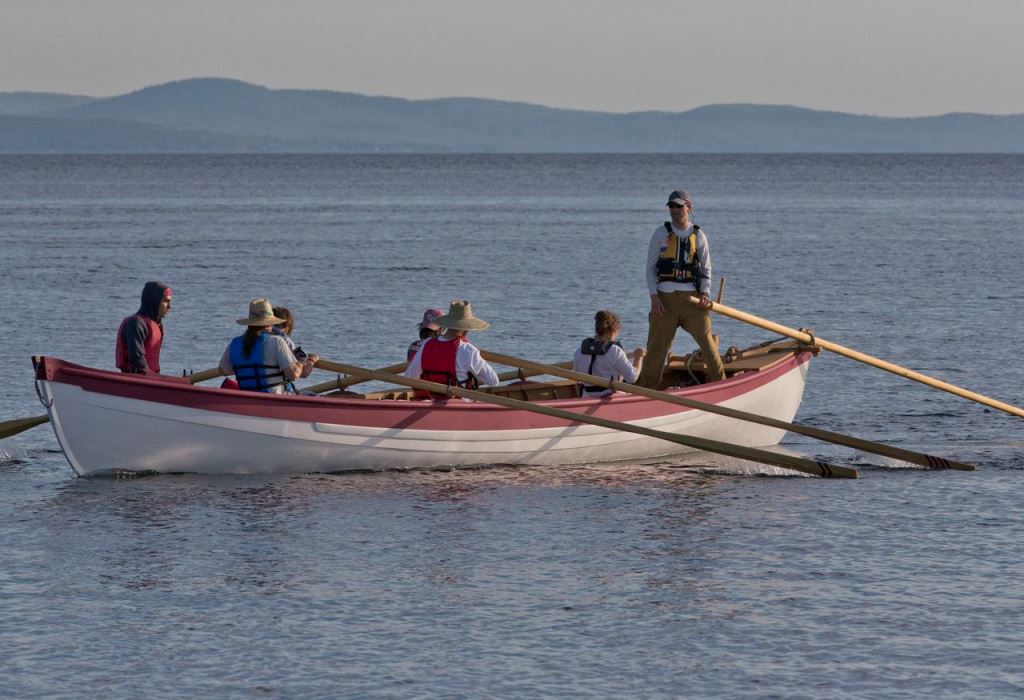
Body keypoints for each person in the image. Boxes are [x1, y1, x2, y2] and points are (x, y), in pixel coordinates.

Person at [637, 189, 726, 388]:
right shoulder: (660, 233)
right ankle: (647, 392)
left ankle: (721, 384)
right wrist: (654, 297)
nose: (675, 210)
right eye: (671, 206)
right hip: (664, 301)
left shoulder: (699, 236)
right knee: (656, 350)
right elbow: (650, 269)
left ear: (688, 207)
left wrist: (705, 293)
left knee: (707, 343)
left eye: (679, 206)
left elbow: (705, 269)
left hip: (692, 301)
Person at [219, 298, 319, 394]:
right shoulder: (277, 342)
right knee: (311, 395)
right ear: (270, 322)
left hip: (247, 397)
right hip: (274, 399)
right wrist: (305, 361)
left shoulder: (234, 343)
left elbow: (223, 370)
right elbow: (294, 375)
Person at [405, 300, 500, 398]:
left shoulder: (426, 345)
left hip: (432, 400)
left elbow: (410, 377)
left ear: (447, 325)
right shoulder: (468, 350)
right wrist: (472, 379)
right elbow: (493, 381)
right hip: (458, 404)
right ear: (467, 328)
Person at [572, 311, 645, 397]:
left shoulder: (580, 351)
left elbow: (576, 378)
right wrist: (638, 358)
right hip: (609, 396)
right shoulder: (615, 351)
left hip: (587, 396)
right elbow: (632, 378)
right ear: (613, 331)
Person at [115, 281, 172, 374]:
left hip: (151, 379)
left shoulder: (157, 326)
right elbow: (136, 357)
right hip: (135, 379)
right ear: (154, 301)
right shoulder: (136, 323)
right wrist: (151, 377)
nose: (170, 307)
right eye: (166, 301)